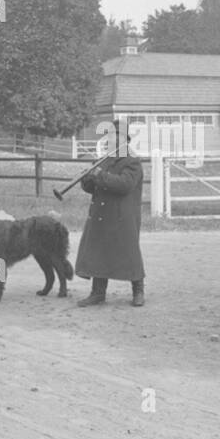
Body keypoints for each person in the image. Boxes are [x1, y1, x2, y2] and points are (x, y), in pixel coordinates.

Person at [74, 122, 145, 307]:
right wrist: (87, 180)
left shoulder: (132, 161)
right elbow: (93, 187)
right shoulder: (103, 160)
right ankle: (98, 293)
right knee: (99, 252)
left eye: (115, 136)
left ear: (124, 139)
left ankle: (138, 291)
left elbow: (124, 185)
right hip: (101, 214)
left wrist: (99, 175)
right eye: (109, 137)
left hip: (123, 216)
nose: (110, 140)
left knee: (130, 253)